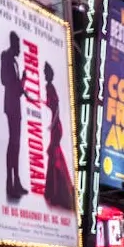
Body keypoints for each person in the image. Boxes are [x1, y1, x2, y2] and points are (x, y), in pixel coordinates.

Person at [42, 63, 75, 210]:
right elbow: (51, 105)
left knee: (55, 157)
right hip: (55, 125)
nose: (43, 73)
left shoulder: (50, 87)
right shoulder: (49, 87)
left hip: (56, 126)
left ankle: (60, 194)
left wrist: (52, 123)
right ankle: (56, 192)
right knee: (54, 157)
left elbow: (56, 109)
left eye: (45, 72)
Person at [0, 31, 28, 202]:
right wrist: (20, 83)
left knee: (16, 144)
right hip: (11, 105)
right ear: (14, 44)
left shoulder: (14, 60)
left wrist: (22, 82)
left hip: (15, 105)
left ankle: (16, 180)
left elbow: (17, 87)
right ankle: (10, 183)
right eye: (18, 45)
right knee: (13, 143)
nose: (20, 49)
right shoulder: (6, 57)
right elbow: (5, 80)